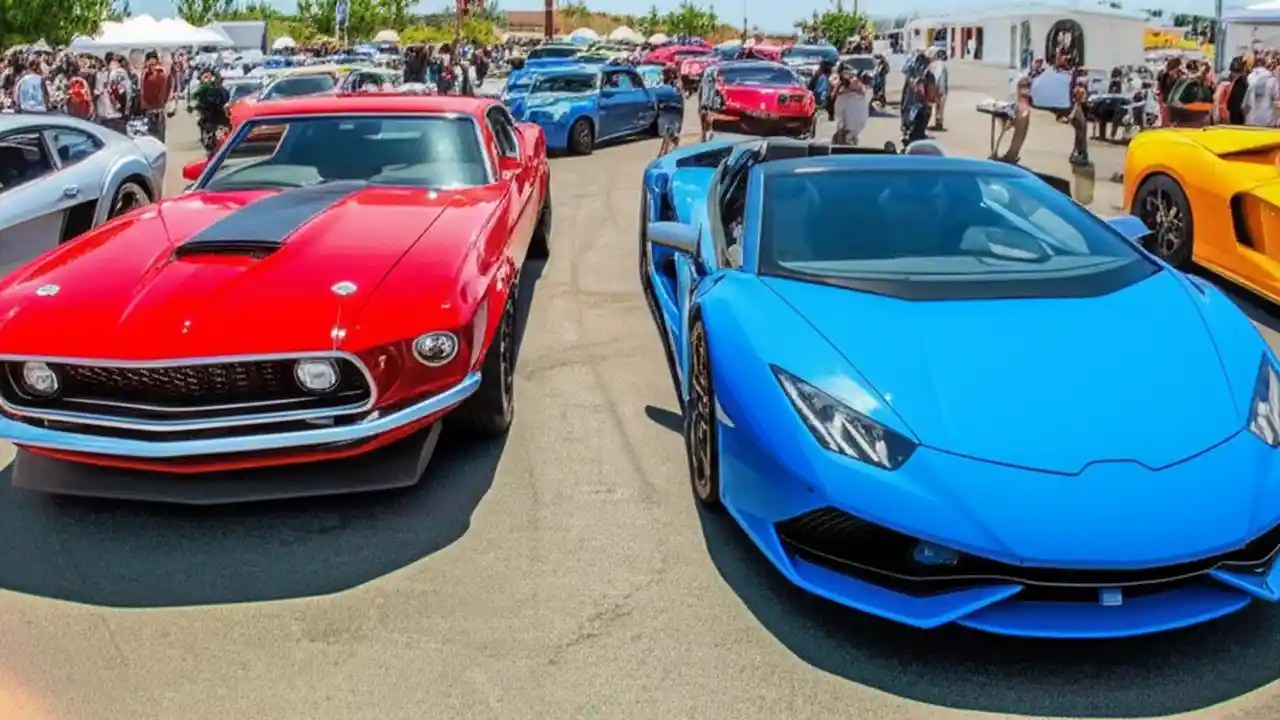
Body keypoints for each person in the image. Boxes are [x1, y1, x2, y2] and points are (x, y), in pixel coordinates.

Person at [831, 65, 870, 145]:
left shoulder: (858, 86)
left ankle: (849, 140)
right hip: (847, 106)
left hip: (855, 107)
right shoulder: (841, 85)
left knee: (850, 129)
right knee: (843, 127)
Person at [139, 50, 171, 141]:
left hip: (150, 109)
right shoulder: (164, 72)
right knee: (160, 138)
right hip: (160, 108)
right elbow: (168, 89)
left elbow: (147, 93)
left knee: (151, 138)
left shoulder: (149, 73)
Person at [1244, 58, 1278, 127]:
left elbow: (1245, 105)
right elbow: (1277, 99)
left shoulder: (1249, 78)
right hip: (1268, 119)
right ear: (1265, 65)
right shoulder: (1272, 80)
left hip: (1252, 120)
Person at [656, 83, 683, 156]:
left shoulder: (660, 89)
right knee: (667, 134)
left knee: (667, 134)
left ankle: (664, 152)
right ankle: (664, 152)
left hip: (668, 113)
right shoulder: (677, 90)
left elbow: (657, 103)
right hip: (673, 113)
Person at [929, 49, 948, 130]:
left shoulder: (938, 64)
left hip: (939, 88)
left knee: (938, 107)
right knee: (939, 107)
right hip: (941, 88)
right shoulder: (939, 64)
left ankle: (938, 124)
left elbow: (938, 77)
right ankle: (938, 123)